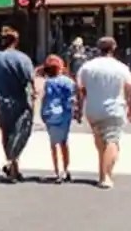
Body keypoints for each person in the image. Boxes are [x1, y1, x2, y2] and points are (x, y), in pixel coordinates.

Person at [76, 36, 131, 189]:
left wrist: (79, 108)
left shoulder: (87, 67)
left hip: (93, 109)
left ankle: (102, 172)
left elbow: (80, 88)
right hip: (113, 109)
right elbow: (130, 87)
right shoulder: (120, 67)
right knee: (112, 141)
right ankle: (106, 176)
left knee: (100, 142)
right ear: (113, 48)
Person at [0, 27, 36, 182]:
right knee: (20, 132)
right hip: (19, 101)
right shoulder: (23, 59)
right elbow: (31, 81)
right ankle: (12, 162)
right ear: (16, 41)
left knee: (6, 132)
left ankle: (13, 166)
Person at [38, 54, 76, 183]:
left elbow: (45, 98)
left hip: (50, 114)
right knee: (64, 142)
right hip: (65, 113)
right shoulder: (68, 81)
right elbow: (72, 97)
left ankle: (57, 170)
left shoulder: (48, 82)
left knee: (53, 143)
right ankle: (66, 169)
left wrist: (42, 113)